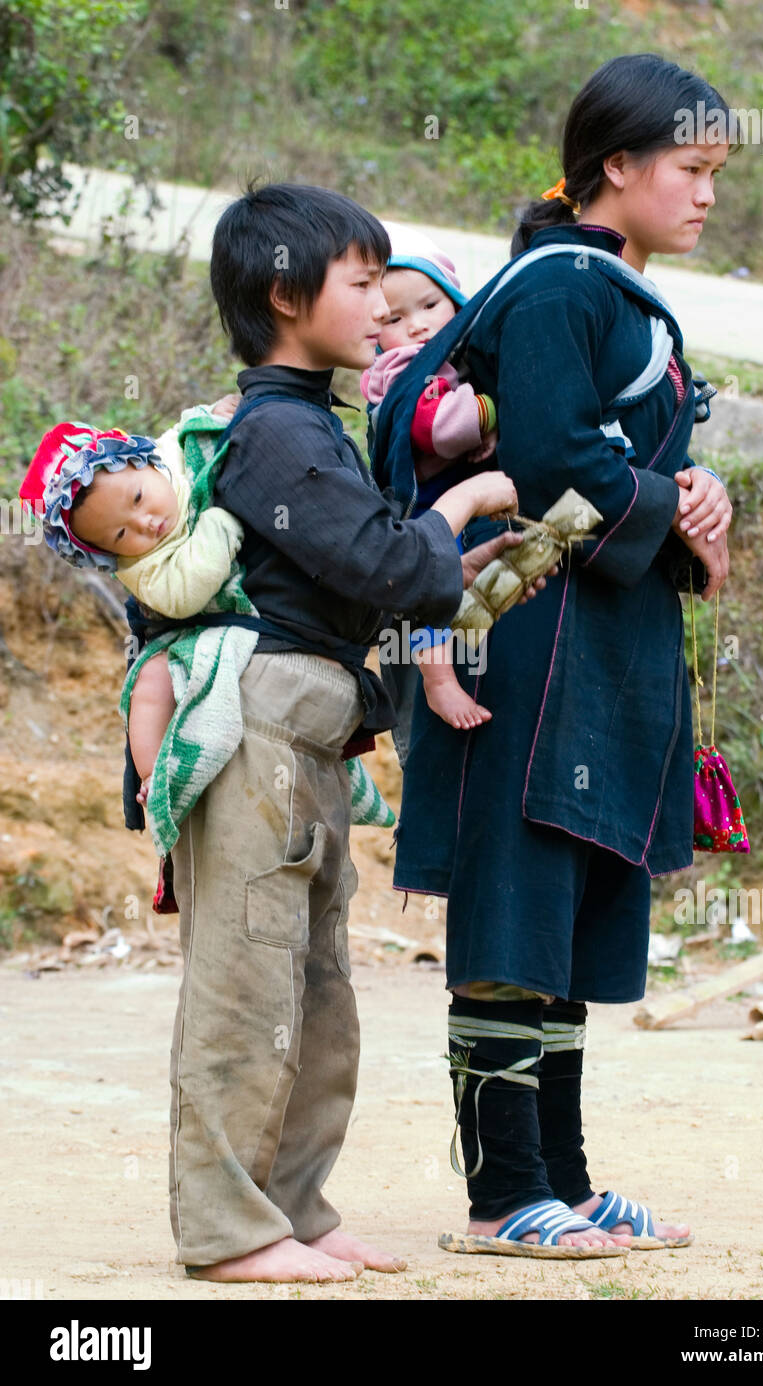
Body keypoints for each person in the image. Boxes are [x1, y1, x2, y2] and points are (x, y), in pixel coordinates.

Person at [143, 182, 548, 1284]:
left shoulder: (311, 425)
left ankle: (296, 1207)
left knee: (317, 990)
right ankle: (227, 1229)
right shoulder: (275, 433)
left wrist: (435, 567)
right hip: (262, 734)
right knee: (248, 983)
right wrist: (459, 510)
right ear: (285, 293)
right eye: (361, 282)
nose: (381, 304)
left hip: (311, 739)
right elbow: (386, 562)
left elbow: (371, 575)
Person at [380, 53, 735, 1256]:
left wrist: (695, 504)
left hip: (599, 640)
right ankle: (498, 1194)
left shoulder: (613, 293)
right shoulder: (553, 292)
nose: (702, 195)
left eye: (712, 174)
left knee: (571, 913)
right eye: (688, 170)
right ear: (617, 168)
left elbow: (619, 472)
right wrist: (657, 501)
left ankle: (566, 1183)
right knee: (512, 910)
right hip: (520, 646)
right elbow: (551, 465)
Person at [19, 416, 242, 803]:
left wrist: (216, 413)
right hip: (192, 624)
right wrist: (221, 524)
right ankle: (153, 773)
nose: (146, 523)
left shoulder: (167, 457)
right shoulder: (143, 568)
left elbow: (183, 429)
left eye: (138, 498)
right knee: (149, 682)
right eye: (122, 534)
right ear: (107, 554)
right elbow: (186, 594)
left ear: (143, 460)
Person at [361, 227, 498, 735]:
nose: (417, 327)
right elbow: (440, 427)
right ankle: (439, 680)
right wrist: (491, 409)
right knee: (433, 587)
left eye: (430, 306)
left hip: (460, 495)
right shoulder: (399, 369)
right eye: (396, 318)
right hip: (428, 504)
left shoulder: (449, 358)